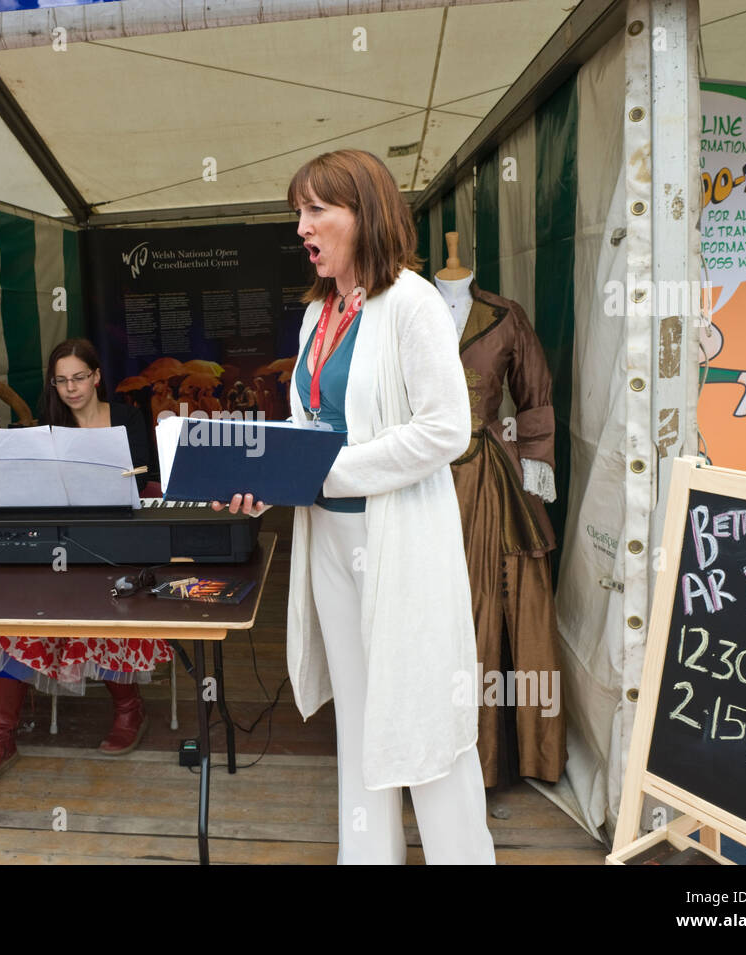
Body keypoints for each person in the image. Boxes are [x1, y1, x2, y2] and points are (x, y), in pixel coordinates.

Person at [216, 149, 495, 864]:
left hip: (399, 543)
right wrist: (266, 479)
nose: (301, 227)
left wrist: (323, 471)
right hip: (330, 546)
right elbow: (308, 430)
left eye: (316, 210)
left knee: (426, 722)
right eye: (297, 213)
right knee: (364, 720)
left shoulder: (412, 301)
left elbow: (446, 430)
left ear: (363, 214)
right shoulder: (318, 314)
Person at [0, 338, 173, 787]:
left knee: (105, 606)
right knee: (20, 617)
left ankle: (129, 710)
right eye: (61, 381)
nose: (71, 388)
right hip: (61, 546)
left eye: (79, 378)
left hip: (117, 546)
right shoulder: (47, 428)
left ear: (96, 377)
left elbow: (144, 487)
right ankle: (0, 739)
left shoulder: (128, 419)